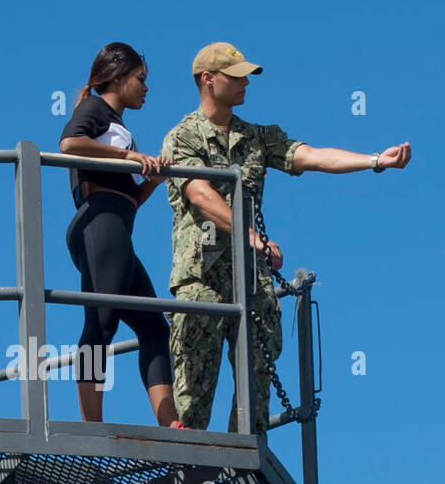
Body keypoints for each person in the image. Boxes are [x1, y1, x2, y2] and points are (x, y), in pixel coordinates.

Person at [161, 41, 412, 433]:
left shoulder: (257, 137)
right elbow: (199, 194)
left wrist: (376, 160)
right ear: (207, 80)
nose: (245, 83)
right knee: (193, 381)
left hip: (250, 277)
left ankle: (245, 447)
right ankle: (187, 455)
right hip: (201, 275)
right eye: (236, 77)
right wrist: (251, 236)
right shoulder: (183, 137)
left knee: (258, 366)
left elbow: (311, 157)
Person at [59, 42, 185, 428]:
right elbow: (68, 143)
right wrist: (131, 157)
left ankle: (170, 424)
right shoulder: (95, 108)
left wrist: (154, 180)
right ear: (117, 77)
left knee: (154, 327)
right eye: (140, 79)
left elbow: (130, 198)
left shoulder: (120, 127)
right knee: (103, 320)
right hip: (99, 223)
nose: (146, 87)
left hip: (118, 228)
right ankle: (92, 426)